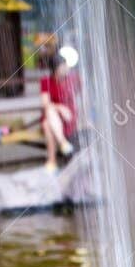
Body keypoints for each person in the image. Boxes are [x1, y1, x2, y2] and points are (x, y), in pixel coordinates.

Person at [37, 41, 82, 172]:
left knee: (47, 123)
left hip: (68, 117)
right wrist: (60, 108)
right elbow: (45, 103)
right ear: (56, 69)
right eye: (63, 66)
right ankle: (63, 144)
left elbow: (84, 98)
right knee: (49, 114)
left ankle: (52, 161)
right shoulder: (46, 81)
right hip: (54, 117)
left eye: (66, 66)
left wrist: (86, 117)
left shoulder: (74, 79)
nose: (67, 68)